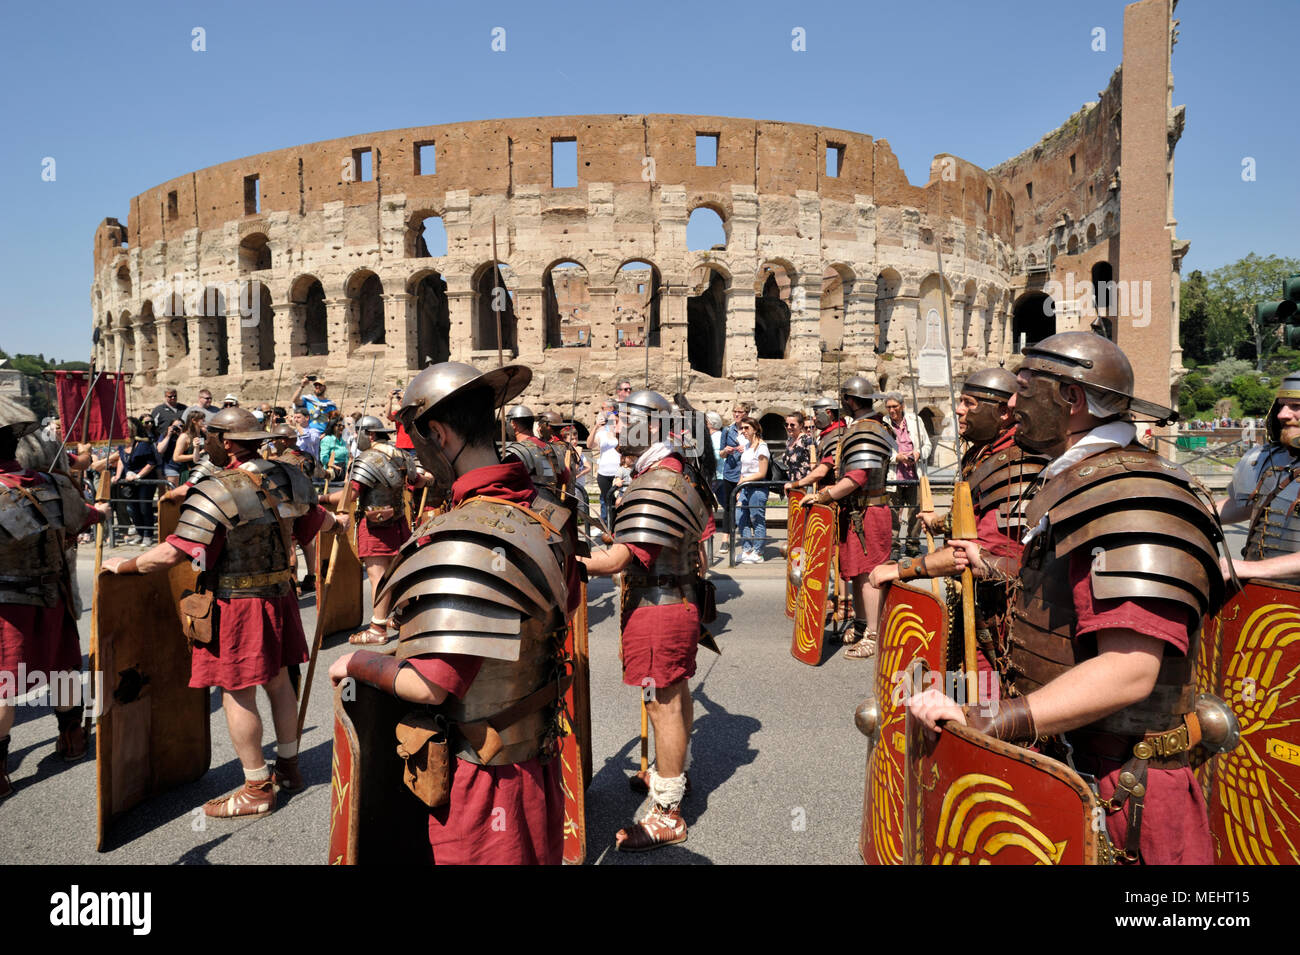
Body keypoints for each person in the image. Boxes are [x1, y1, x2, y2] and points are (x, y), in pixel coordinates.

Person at [907, 332, 1227, 865]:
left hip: (1120, 784)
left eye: (1026, 387)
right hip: (1070, 758)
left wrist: (990, 717)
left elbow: (1128, 669)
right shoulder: (1085, 483)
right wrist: (987, 563)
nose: (1012, 401)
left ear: (1071, 399)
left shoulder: (1132, 496)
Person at [329, 360, 569, 864]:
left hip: (482, 776)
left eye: (419, 444)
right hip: (534, 756)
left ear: (438, 433)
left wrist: (356, 663)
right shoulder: (544, 511)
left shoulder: (466, 537)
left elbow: (432, 685)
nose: (418, 461)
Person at [103, 407, 349, 817]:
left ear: (228, 442)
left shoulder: (217, 489)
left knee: (238, 691)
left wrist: (124, 566)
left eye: (213, 436)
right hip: (280, 596)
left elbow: (172, 553)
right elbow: (318, 523)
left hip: (239, 604)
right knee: (279, 682)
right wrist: (339, 524)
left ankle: (256, 789)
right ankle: (288, 768)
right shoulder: (289, 476)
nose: (209, 442)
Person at [578, 388, 713, 851]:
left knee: (663, 703)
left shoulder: (658, 480)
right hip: (673, 599)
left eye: (622, 419)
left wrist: (571, 562)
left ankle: (668, 812)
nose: (614, 428)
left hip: (660, 607)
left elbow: (620, 557)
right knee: (674, 695)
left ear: (649, 425)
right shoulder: (673, 469)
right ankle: (674, 773)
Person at [869, 368, 1047, 699]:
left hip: (1002, 624)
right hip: (975, 609)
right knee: (954, 696)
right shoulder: (986, 455)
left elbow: (978, 553)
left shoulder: (1017, 466)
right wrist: (938, 522)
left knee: (986, 709)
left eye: (969, 403)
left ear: (1004, 412)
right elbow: (971, 522)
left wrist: (901, 568)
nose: (959, 410)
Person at [0, 401, 109, 799]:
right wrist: (99, 511)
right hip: (54, 593)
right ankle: (72, 739)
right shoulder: (53, 483)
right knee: (63, 670)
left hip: (7, 603)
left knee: (3, 685)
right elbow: (83, 518)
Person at [799, 378, 894, 658]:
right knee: (855, 572)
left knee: (869, 575)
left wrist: (823, 496)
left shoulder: (868, 429)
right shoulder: (867, 426)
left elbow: (856, 478)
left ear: (850, 401)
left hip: (869, 511)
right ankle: (863, 623)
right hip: (856, 512)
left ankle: (874, 635)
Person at [334, 416, 420, 645]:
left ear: (370, 435)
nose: (355, 437)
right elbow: (418, 480)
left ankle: (377, 628)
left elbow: (349, 496)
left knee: (378, 577)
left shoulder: (367, 459)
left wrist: (321, 498)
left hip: (376, 527)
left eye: (359, 433)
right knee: (396, 573)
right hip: (400, 522)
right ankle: (405, 617)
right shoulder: (401, 455)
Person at [1219, 372, 1300, 583]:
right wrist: (1175, 512)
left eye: (1295, 406)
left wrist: (1254, 569)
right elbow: (1245, 506)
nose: (1282, 414)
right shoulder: (1270, 459)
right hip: (1262, 598)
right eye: (1281, 406)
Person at [883, 391, 932, 558]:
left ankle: (912, 543)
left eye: (894, 406)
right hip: (894, 476)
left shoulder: (915, 421)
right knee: (893, 513)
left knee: (916, 512)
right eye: (888, 407)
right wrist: (897, 457)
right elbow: (882, 451)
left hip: (914, 475)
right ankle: (894, 546)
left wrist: (918, 454)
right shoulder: (884, 424)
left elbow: (927, 445)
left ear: (902, 406)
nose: (891, 410)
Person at [116, 416, 161, 546]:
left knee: (144, 508)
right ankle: (140, 533)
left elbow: (151, 463)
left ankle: (148, 535)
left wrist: (138, 476)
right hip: (130, 481)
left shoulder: (143, 443)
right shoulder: (121, 444)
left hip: (145, 481)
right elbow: (121, 460)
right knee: (133, 509)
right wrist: (118, 476)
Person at [735, 416, 770, 562]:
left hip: (757, 488)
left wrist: (744, 481)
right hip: (745, 487)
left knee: (756, 519)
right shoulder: (748, 446)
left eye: (746, 428)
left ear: (755, 429)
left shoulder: (762, 447)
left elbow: (762, 473)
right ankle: (747, 549)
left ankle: (758, 551)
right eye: (742, 428)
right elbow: (744, 469)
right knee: (740, 517)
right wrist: (739, 486)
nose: (743, 431)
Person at [716, 402, 748, 534]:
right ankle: (726, 538)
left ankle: (747, 536)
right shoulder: (727, 430)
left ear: (746, 413)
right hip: (730, 472)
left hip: (746, 473)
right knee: (729, 507)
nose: (736, 414)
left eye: (739, 412)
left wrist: (746, 449)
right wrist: (726, 451)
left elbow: (758, 448)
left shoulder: (752, 430)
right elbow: (721, 454)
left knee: (746, 506)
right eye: (734, 411)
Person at [589, 400, 620, 528]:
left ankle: (618, 525)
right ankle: (607, 527)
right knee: (606, 500)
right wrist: (596, 427)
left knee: (619, 500)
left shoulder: (620, 427)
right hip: (604, 471)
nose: (602, 411)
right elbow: (589, 445)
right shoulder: (601, 431)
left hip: (618, 471)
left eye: (603, 408)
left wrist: (615, 420)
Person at [780, 411, 815, 485]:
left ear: (801, 425)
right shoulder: (789, 441)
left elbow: (814, 465)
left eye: (792, 425)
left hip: (805, 485)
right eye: (786, 424)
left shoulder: (808, 441)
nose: (789, 427)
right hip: (790, 484)